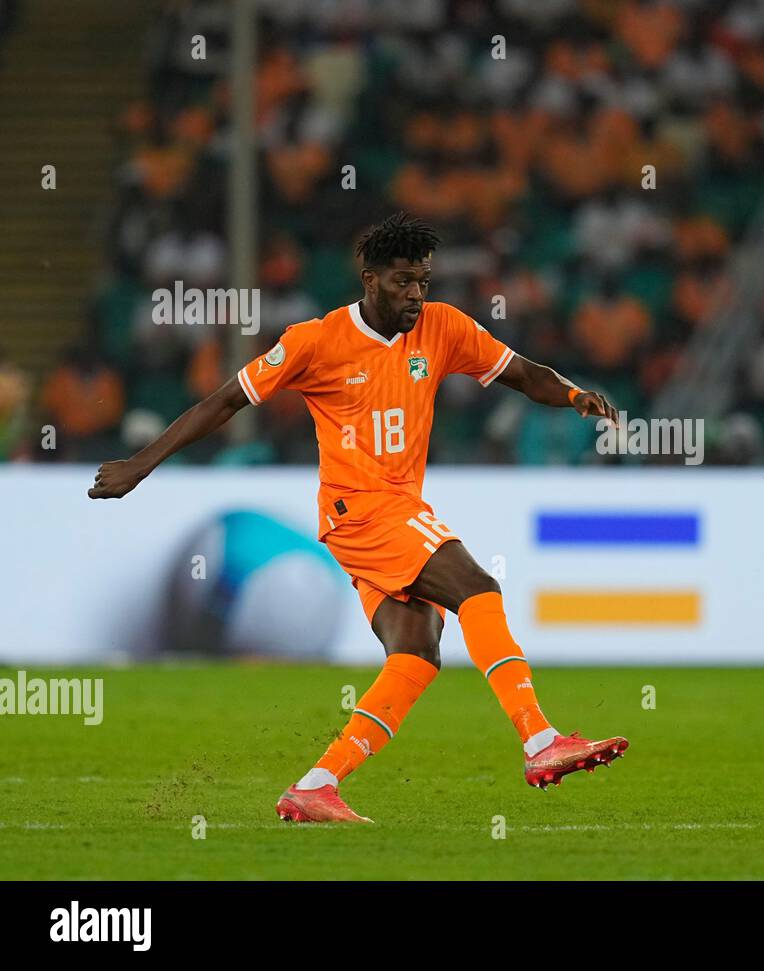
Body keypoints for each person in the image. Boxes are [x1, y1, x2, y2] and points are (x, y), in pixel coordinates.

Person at [89, 213, 628, 822]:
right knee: (478, 588)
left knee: (417, 653)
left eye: (423, 281)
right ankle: (540, 740)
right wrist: (141, 464)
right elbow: (224, 402)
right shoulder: (315, 341)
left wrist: (574, 394)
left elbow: (525, 375)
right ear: (369, 280)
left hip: (391, 513)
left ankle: (317, 785)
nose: (416, 296)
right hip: (363, 511)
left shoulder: (443, 328)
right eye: (403, 282)